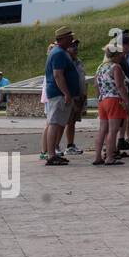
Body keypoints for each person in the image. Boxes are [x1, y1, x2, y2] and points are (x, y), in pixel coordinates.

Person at [43, 26, 81, 166]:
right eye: (69, 37)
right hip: (58, 94)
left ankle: (54, 152)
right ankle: (51, 154)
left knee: (59, 123)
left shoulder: (61, 52)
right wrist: (66, 93)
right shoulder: (58, 53)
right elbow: (58, 75)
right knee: (54, 123)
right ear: (63, 38)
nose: (71, 39)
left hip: (61, 94)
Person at [93, 44, 129, 166]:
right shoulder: (116, 67)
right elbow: (120, 86)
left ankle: (97, 156)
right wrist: (126, 100)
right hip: (114, 100)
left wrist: (99, 97)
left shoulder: (100, 67)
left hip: (103, 100)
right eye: (120, 54)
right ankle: (110, 157)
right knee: (113, 130)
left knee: (102, 129)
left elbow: (96, 85)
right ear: (116, 55)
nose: (122, 56)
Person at [64, 40, 87, 156]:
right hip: (69, 97)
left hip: (79, 96)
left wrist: (83, 95)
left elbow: (82, 79)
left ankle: (70, 145)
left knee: (72, 122)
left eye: (76, 46)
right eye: (72, 46)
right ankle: (55, 146)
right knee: (64, 122)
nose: (75, 48)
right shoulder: (66, 62)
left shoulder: (79, 62)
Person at [117, 31, 129, 150]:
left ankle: (121, 139)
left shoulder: (123, 57)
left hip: (127, 89)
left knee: (125, 116)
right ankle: (117, 141)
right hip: (121, 92)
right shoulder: (119, 59)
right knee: (119, 118)